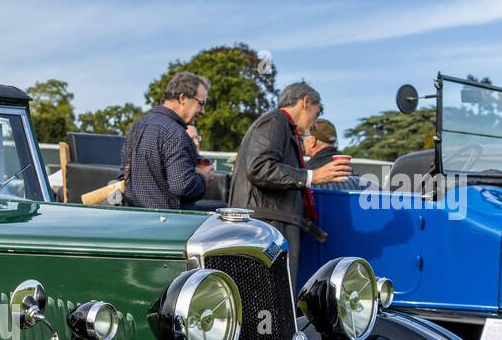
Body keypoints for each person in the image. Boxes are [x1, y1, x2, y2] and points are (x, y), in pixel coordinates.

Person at [229, 82, 352, 279]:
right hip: (266, 228)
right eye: (317, 114)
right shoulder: (276, 121)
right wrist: (312, 176)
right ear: (306, 102)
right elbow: (260, 168)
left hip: (268, 227)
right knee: (271, 297)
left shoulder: (278, 124)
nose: (316, 124)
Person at [120, 72, 213, 209]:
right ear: (182, 98)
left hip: (136, 221)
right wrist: (203, 177)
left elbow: (123, 177)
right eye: (201, 103)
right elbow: (182, 186)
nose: (203, 111)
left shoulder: (136, 127)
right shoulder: (176, 134)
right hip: (169, 224)